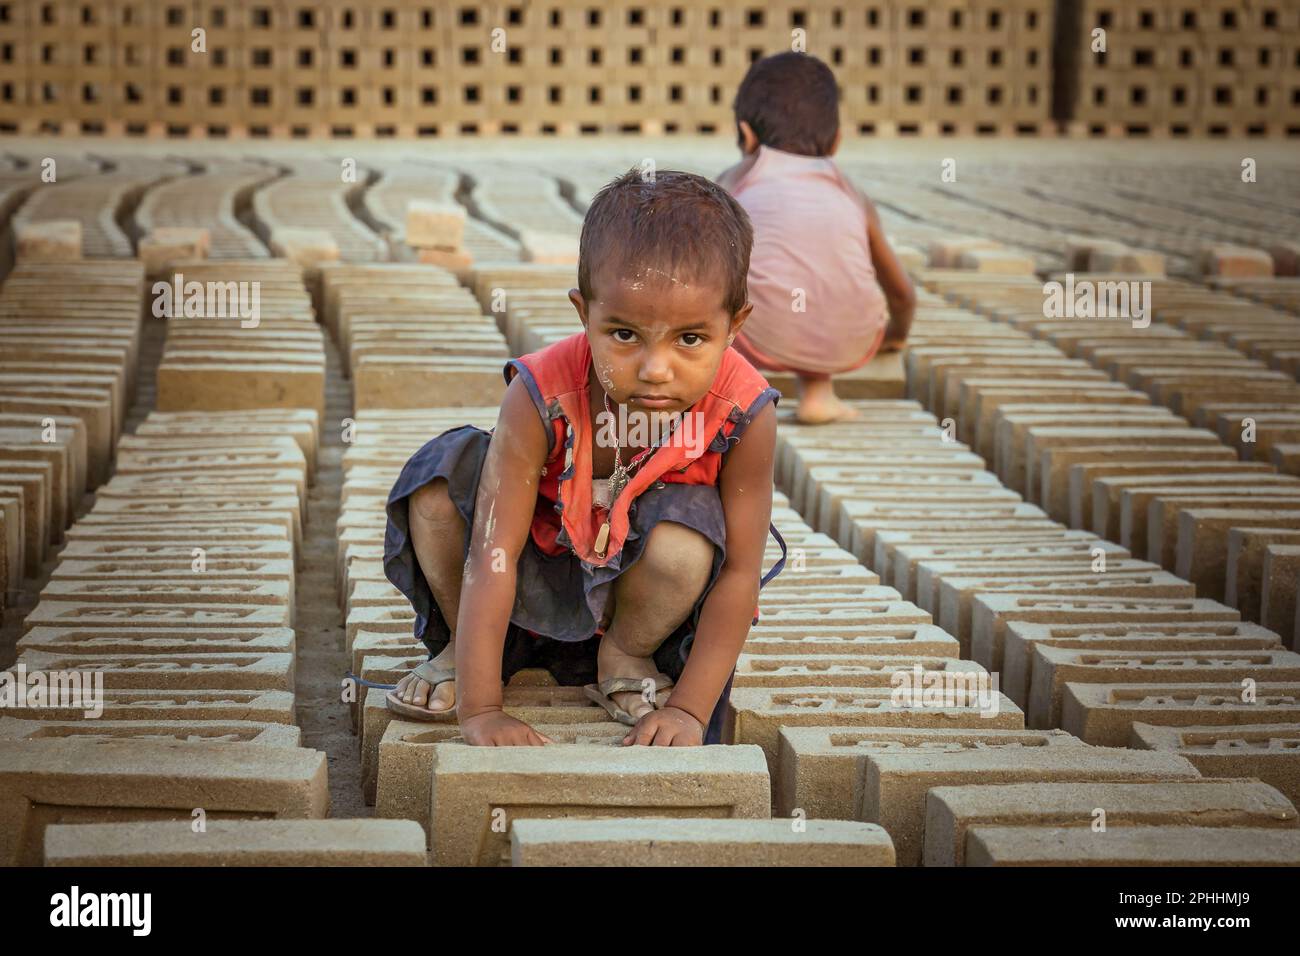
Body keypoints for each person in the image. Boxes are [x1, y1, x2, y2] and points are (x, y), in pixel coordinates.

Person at [381, 168, 784, 747]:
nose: (655, 368)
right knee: (440, 481)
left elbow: (741, 571)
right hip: (526, 582)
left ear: (735, 325)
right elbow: (492, 552)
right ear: (583, 314)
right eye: (623, 334)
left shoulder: (744, 413)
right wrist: (482, 711)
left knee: (688, 537)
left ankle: (623, 656)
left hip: (636, 596)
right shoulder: (540, 394)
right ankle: (465, 654)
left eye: (690, 339)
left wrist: (691, 713)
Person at [716, 51, 916, 424]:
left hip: (758, 337)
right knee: (815, 274)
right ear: (837, 141)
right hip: (853, 339)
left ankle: (725, 394)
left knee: (716, 281)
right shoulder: (851, 192)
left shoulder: (738, 178)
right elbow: (903, 294)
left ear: (746, 134)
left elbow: (703, 256)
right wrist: (893, 336)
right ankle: (819, 396)